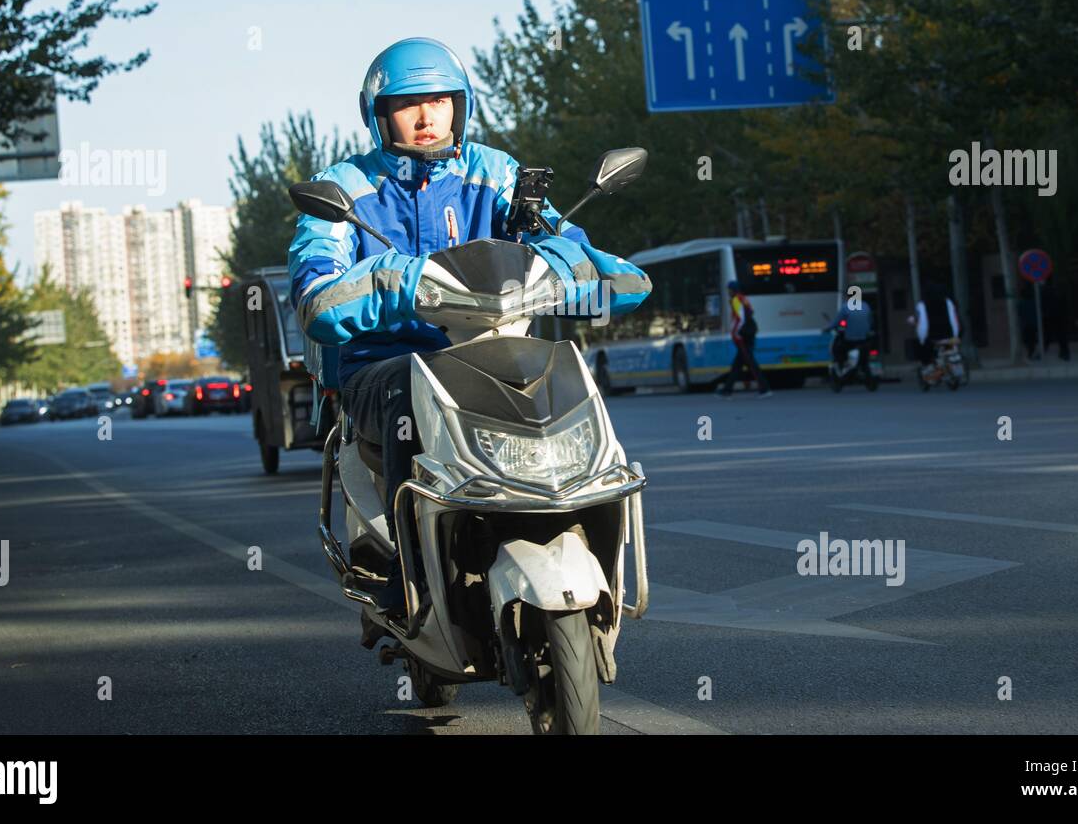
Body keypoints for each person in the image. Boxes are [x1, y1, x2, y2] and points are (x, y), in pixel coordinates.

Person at [288, 37, 652, 615]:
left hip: (496, 351)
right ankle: (413, 579)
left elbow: (558, 241)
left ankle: (582, 522)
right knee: (408, 403)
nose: (427, 115)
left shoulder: (496, 172)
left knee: (567, 376)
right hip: (391, 365)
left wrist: (591, 270)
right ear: (379, 115)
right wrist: (391, 281)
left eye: (440, 99)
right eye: (409, 104)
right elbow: (315, 293)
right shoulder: (346, 190)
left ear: (462, 104)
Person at [717, 280, 771, 397]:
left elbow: (740, 319)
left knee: (751, 363)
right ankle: (727, 390)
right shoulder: (743, 298)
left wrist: (736, 332)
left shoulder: (737, 300)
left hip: (743, 336)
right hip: (747, 334)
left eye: (729, 290)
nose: (728, 292)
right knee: (737, 365)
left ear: (732, 290)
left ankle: (764, 388)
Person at [823, 296, 875, 376]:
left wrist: (827, 328)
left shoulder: (845, 307)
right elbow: (871, 321)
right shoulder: (866, 306)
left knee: (838, 350)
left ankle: (842, 366)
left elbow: (836, 322)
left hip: (850, 340)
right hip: (865, 339)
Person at [915, 282, 960, 371]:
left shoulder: (922, 305)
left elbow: (923, 325)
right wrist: (955, 334)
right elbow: (954, 321)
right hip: (949, 335)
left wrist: (922, 339)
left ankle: (929, 367)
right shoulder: (948, 302)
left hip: (933, 337)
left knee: (925, 349)